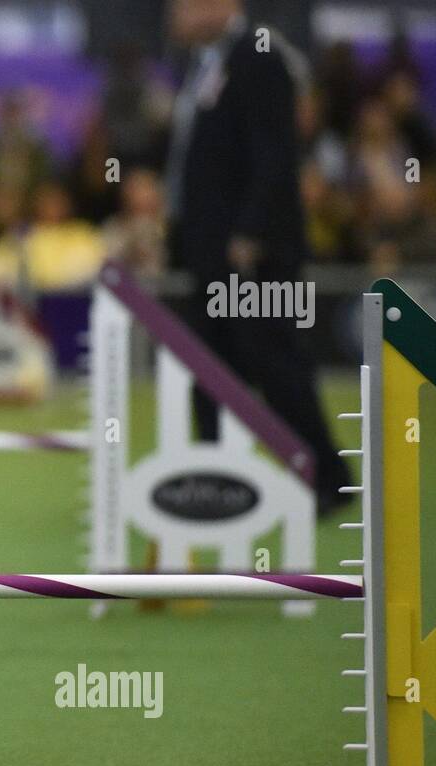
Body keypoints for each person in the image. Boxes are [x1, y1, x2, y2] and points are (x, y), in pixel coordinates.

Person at [165, 0, 349, 513]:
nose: (172, 12)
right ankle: (217, 483)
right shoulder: (205, 64)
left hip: (251, 255)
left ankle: (327, 477)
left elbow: (276, 155)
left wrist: (250, 231)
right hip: (210, 253)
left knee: (275, 362)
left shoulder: (259, 57)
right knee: (208, 367)